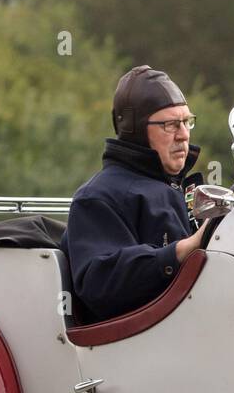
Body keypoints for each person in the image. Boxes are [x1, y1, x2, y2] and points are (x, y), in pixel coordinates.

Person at [60, 65, 207, 322]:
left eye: (187, 122)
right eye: (170, 125)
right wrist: (182, 250)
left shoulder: (183, 190)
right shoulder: (97, 197)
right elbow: (99, 283)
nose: (183, 135)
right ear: (135, 130)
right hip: (143, 348)